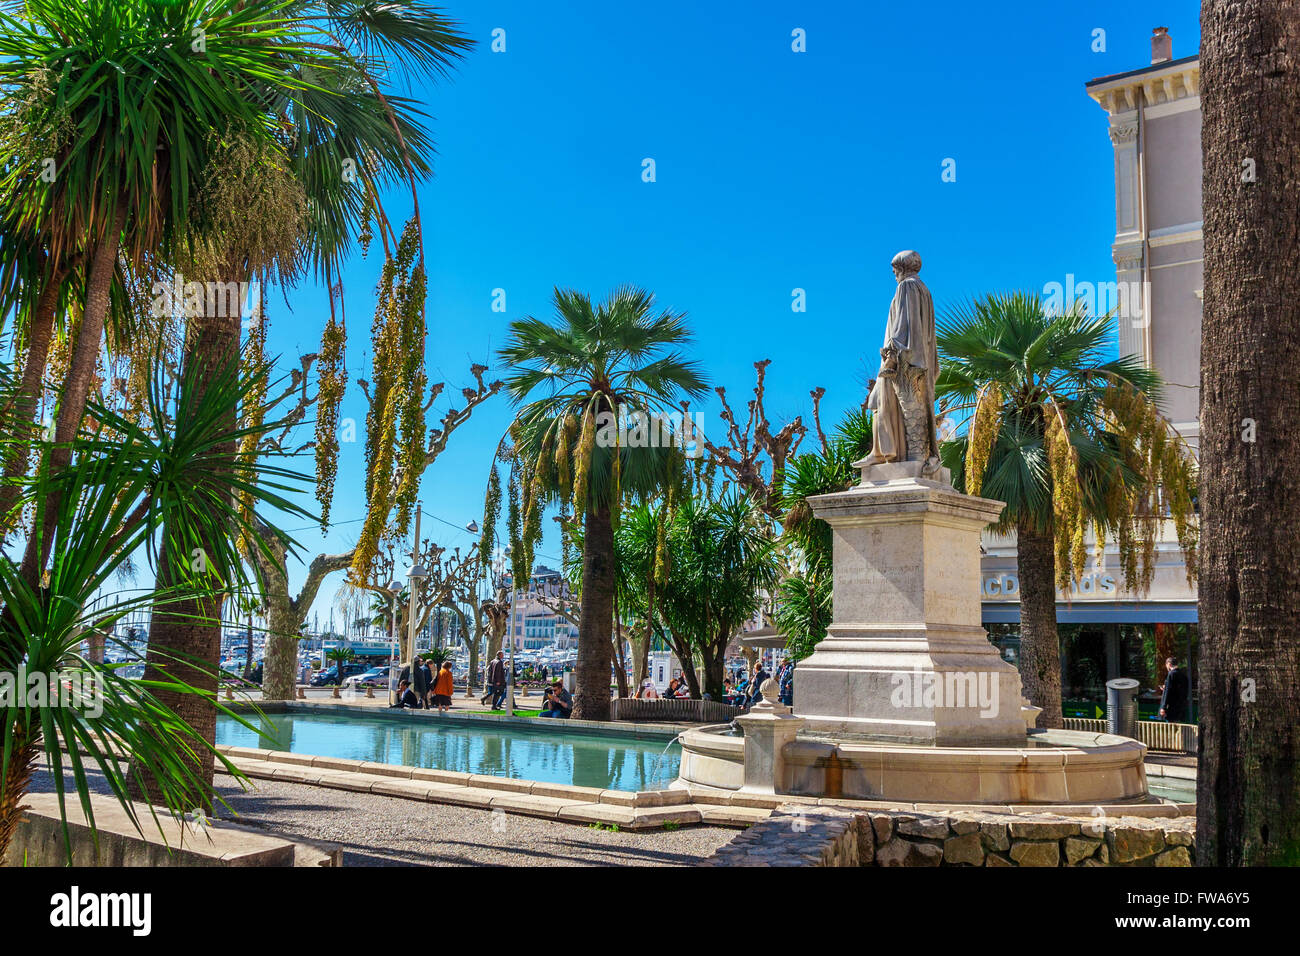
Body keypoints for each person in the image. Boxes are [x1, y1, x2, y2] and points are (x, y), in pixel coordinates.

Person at [1159, 657, 1190, 723]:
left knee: (1171, 728)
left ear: (1169, 664)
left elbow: (1168, 692)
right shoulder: (1183, 675)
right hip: (1181, 706)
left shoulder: (1171, 674)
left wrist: (1163, 707)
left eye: (1166, 665)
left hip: (1172, 707)